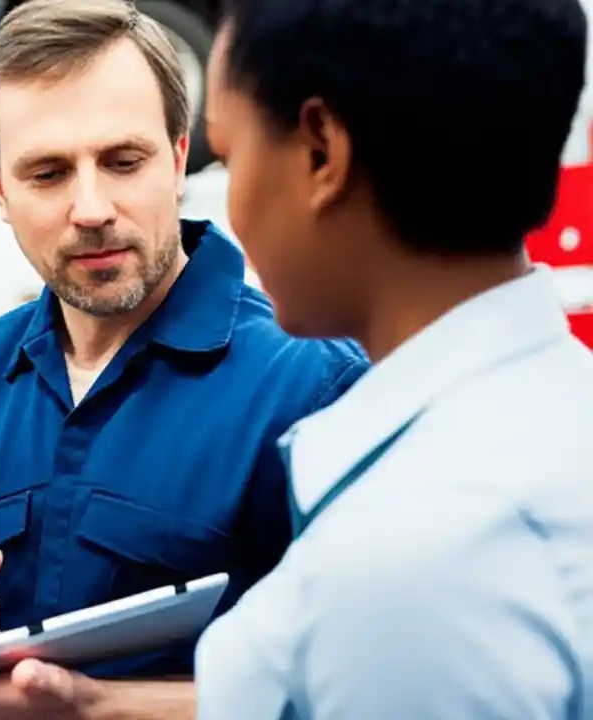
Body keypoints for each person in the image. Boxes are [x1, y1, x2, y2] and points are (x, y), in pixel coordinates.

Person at [0, 0, 368, 717]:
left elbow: (367, 691)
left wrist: (96, 705)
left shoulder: (311, 386)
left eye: (122, 161)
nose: (91, 208)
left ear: (177, 159)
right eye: (48, 173)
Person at [184, 0, 592, 717]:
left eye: (228, 153)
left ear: (321, 152)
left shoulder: (414, 558)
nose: (232, 206)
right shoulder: (553, 416)